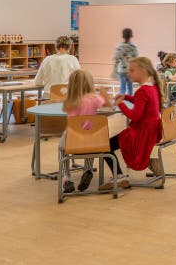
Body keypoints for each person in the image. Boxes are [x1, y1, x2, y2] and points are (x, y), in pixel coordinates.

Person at [101, 56, 164, 191]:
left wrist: (120, 104)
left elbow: (135, 115)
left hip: (142, 134)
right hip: (150, 132)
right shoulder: (151, 87)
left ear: (143, 71)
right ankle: (120, 176)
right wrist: (126, 97)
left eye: (132, 70)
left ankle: (119, 176)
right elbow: (141, 102)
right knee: (111, 143)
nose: (129, 74)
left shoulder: (142, 90)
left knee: (106, 145)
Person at [60, 69, 112, 193]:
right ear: (90, 83)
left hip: (72, 140)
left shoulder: (68, 101)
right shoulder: (94, 99)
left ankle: (66, 176)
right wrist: (103, 92)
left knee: (62, 148)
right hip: (90, 139)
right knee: (91, 143)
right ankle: (87, 170)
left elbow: (65, 109)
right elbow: (109, 106)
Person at [113, 28, 139, 95]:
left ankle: (121, 101)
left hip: (121, 70)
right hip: (130, 70)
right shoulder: (133, 47)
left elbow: (116, 59)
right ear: (131, 36)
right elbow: (137, 59)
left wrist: (114, 71)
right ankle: (130, 101)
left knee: (122, 88)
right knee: (130, 88)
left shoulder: (119, 47)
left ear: (123, 36)